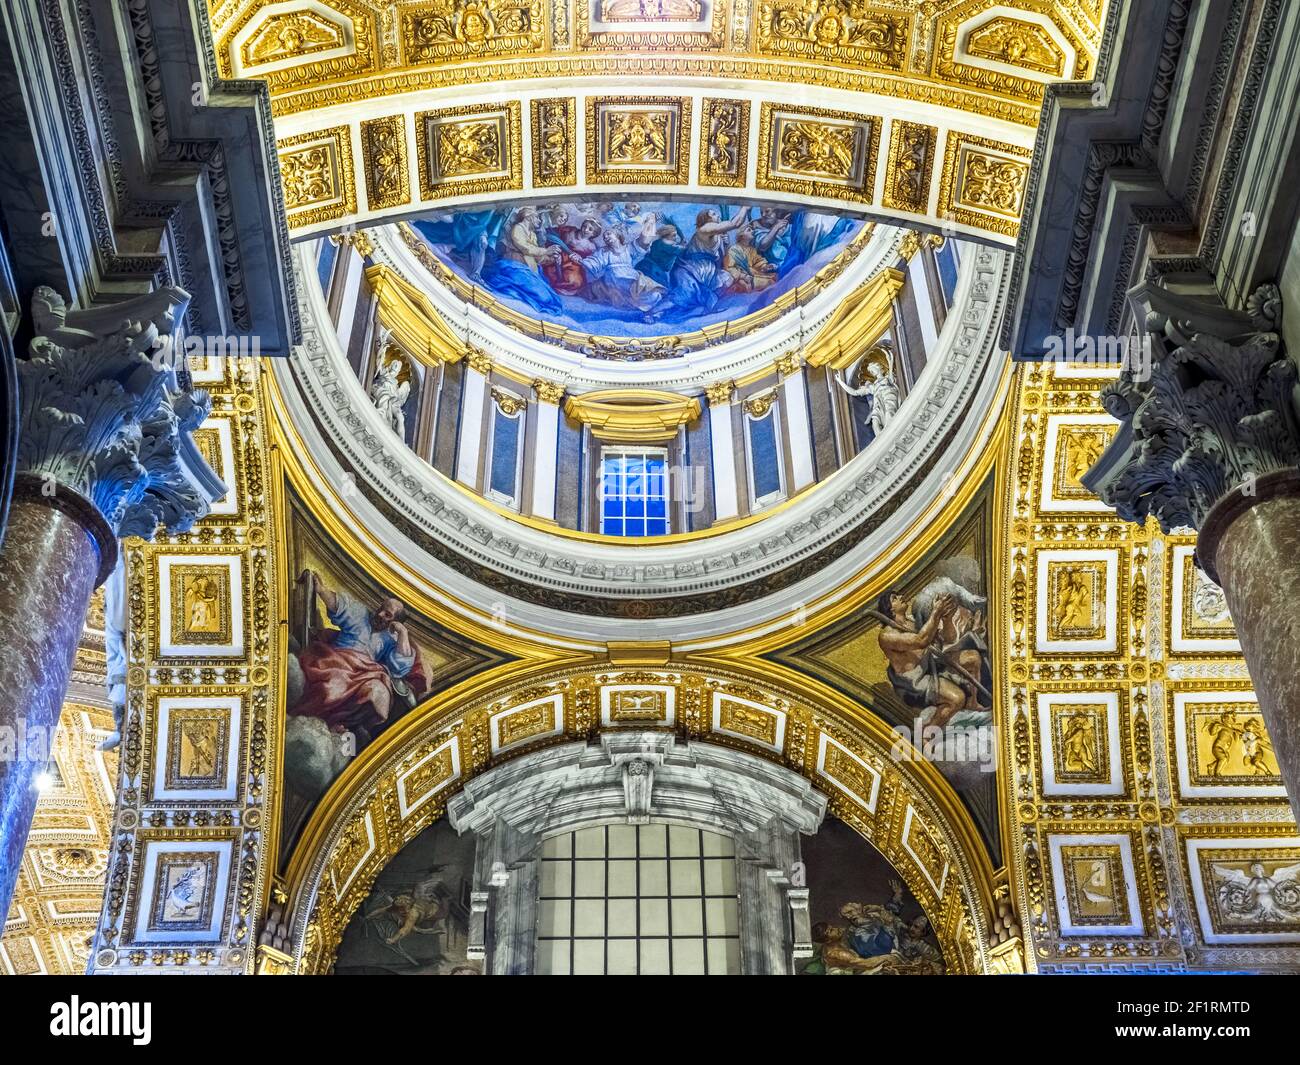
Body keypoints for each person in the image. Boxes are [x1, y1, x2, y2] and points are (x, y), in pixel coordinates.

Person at [292, 570, 428, 742]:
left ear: (395, 622)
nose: (379, 614)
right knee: (334, 686)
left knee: (378, 693)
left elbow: (399, 668)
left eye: (387, 615)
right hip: (336, 662)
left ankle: (346, 724)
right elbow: (339, 606)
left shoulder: (390, 639)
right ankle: (319, 718)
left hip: (365, 673)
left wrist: (402, 634)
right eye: (381, 609)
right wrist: (321, 590)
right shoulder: (361, 615)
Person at [877, 588, 988, 727]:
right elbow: (921, 640)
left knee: (973, 658)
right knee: (957, 698)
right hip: (915, 681)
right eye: (894, 598)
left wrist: (946, 619)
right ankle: (928, 732)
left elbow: (943, 639)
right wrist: (936, 612)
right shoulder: (887, 635)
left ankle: (972, 703)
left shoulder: (911, 621)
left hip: (931, 663)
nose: (900, 597)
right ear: (890, 610)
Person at [669, 206, 752, 313]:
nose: (717, 215)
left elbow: (720, 260)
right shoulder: (704, 229)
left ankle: (703, 307)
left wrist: (725, 244)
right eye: (713, 214)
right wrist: (744, 208)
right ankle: (654, 312)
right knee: (684, 297)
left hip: (708, 271)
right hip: (692, 269)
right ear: (706, 219)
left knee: (727, 278)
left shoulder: (716, 236)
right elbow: (735, 223)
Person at [724, 223, 779, 292]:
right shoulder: (734, 249)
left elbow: (758, 262)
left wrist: (765, 267)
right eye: (749, 230)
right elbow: (729, 268)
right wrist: (743, 276)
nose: (752, 231)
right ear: (742, 236)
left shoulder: (751, 249)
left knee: (776, 277)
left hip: (753, 274)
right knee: (770, 282)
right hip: (742, 279)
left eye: (752, 230)